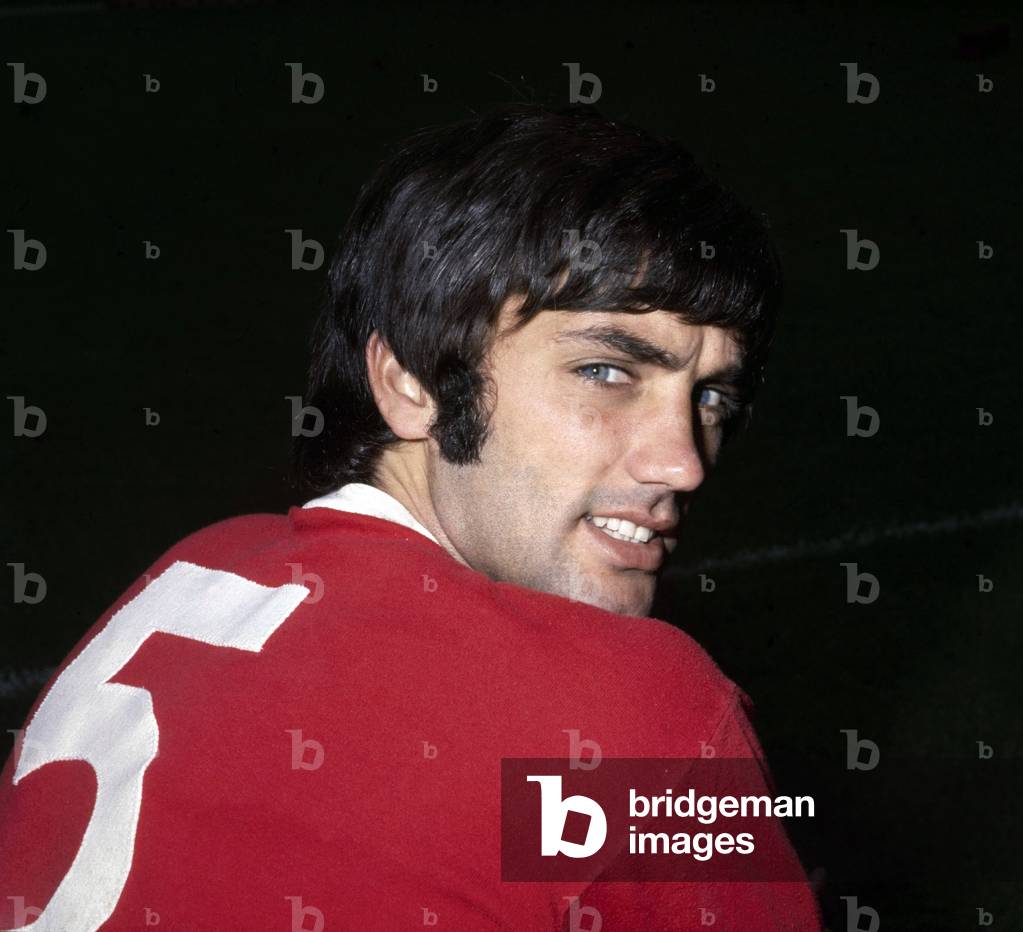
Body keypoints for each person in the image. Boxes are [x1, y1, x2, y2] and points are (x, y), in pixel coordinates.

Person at [0, 103, 822, 930]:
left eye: (710, 395)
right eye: (605, 371)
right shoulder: (641, 712)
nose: (682, 461)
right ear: (411, 383)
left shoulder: (193, 572)